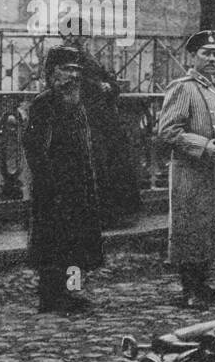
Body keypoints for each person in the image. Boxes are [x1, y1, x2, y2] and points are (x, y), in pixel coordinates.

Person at [157, 30, 215, 308]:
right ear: (192, 57)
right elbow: (168, 131)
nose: (211, 58)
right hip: (193, 171)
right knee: (192, 228)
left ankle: (204, 283)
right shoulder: (183, 87)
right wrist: (203, 145)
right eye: (205, 53)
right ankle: (191, 288)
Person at [21, 45, 104, 313]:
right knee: (53, 242)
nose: (73, 76)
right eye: (66, 70)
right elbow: (34, 146)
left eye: (76, 70)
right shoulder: (43, 104)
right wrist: (47, 182)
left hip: (78, 183)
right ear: (52, 73)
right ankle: (50, 297)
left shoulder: (77, 103)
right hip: (53, 186)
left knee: (78, 242)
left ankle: (73, 292)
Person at [73, 48, 140, 227]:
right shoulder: (64, 57)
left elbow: (111, 79)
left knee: (114, 161)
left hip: (104, 118)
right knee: (94, 164)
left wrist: (109, 85)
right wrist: (98, 86)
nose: (76, 38)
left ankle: (114, 214)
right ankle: (97, 217)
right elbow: (71, 82)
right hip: (83, 117)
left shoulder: (90, 56)